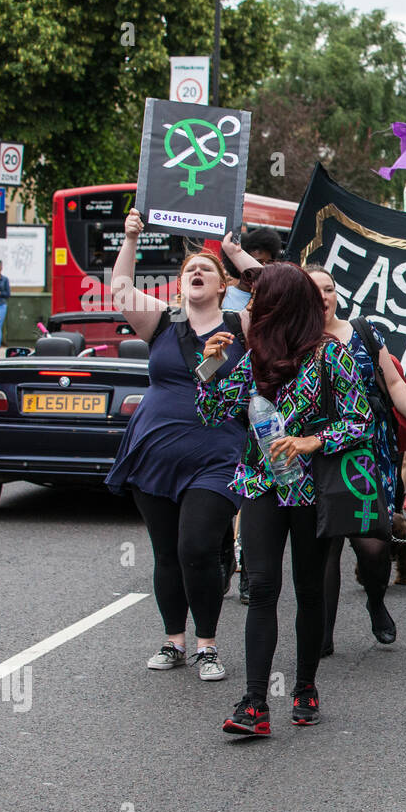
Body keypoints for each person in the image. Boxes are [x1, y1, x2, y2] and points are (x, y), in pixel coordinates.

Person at [197, 262, 372, 735]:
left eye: (256, 303)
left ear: (280, 308)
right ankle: (254, 702)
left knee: (309, 590)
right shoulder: (251, 360)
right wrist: (211, 363)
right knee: (263, 589)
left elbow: (360, 421)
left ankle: (306, 686)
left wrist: (312, 442)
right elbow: (211, 413)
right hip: (260, 486)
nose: (247, 310)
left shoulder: (330, 356)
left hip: (313, 491)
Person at [106, 208, 245, 683]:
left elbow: (287, 294)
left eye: (208, 268)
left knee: (198, 547)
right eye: (190, 269)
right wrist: (130, 239)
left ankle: (207, 644)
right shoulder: (162, 323)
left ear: (223, 284)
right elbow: (120, 289)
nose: (198, 272)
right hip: (154, 455)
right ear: (179, 283)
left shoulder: (243, 326)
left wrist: (234, 252)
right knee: (167, 553)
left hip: (217, 458)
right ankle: (173, 641)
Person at [304, 265, 406, 655]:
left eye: (329, 289)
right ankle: (322, 633)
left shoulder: (361, 330)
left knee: (374, 546)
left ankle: (376, 602)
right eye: (314, 291)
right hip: (312, 451)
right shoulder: (293, 338)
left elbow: (394, 383)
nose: (323, 297)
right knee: (324, 545)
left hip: (366, 453)